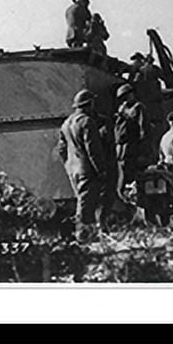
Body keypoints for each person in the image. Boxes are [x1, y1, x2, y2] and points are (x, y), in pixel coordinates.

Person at [55, 89, 106, 242]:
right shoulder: (86, 122)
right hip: (86, 169)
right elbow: (93, 150)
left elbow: (61, 149)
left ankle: (84, 235)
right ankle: (83, 237)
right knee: (86, 206)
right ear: (88, 104)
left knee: (82, 201)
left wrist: (68, 164)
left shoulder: (66, 123)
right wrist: (101, 170)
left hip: (73, 169)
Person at [113, 84, 151, 196]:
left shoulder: (139, 108)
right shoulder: (122, 110)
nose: (125, 99)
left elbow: (144, 130)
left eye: (127, 95)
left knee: (134, 182)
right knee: (123, 182)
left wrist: (143, 151)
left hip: (133, 150)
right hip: (122, 152)